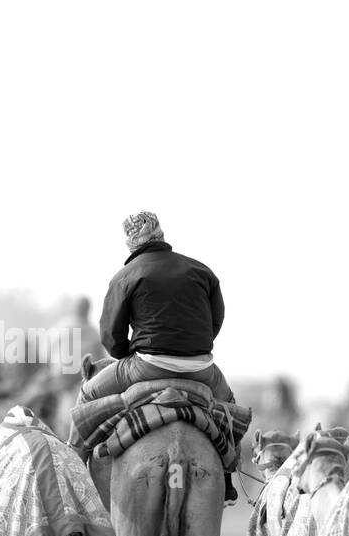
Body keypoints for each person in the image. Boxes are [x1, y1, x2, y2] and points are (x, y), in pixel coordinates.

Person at [73, 211, 239, 501]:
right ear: (162, 235)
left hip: (145, 367)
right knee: (231, 407)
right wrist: (193, 348)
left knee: (87, 394)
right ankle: (226, 477)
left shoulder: (124, 276)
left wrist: (126, 356)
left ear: (130, 244)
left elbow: (111, 336)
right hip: (201, 368)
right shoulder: (203, 271)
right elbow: (216, 321)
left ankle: (73, 477)